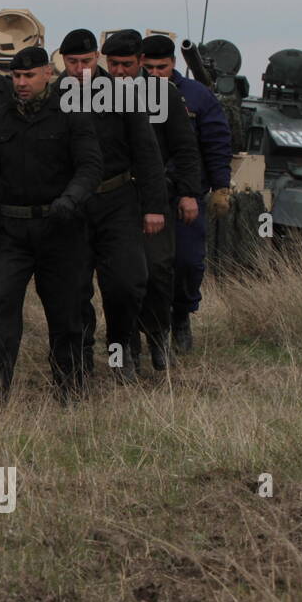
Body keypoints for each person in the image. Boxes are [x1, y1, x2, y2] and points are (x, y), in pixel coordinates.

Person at [0, 47, 102, 402]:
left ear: (48, 73)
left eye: (29, 76)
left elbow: (90, 167)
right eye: (16, 77)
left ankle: (70, 388)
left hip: (60, 228)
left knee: (66, 310)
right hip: (11, 231)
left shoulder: (72, 117)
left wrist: (70, 199)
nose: (21, 83)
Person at [59, 28, 165, 382]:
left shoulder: (124, 96)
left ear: (97, 59)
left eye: (86, 61)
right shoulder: (54, 95)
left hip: (117, 199)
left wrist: (154, 207)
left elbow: (147, 155)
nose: (79, 69)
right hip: (71, 204)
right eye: (72, 62)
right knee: (73, 288)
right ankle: (80, 357)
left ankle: (122, 350)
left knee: (126, 283)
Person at [100, 31, 202, 371]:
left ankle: (158, 338)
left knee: (158, 270)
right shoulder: (96, 95)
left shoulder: (163, 95)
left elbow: (186, 148)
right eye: (112, 64)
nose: (118, 71)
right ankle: (124, 345)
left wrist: (187, 191)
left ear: (140, 62)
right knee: (121, 278)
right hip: (113, 200)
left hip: (155, 195)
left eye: (126, 64)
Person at [139, 34, 232, 354]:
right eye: (148, 67)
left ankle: (181, 314)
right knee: (149, 267)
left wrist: (221, 186)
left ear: (173, 65)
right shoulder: (127, 96)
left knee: (188, 262)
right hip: (144, 195)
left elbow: (217, 143)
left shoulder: (196, 96)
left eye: (161, 67)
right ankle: (151, 326)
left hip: (186, 194)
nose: (154, 74)